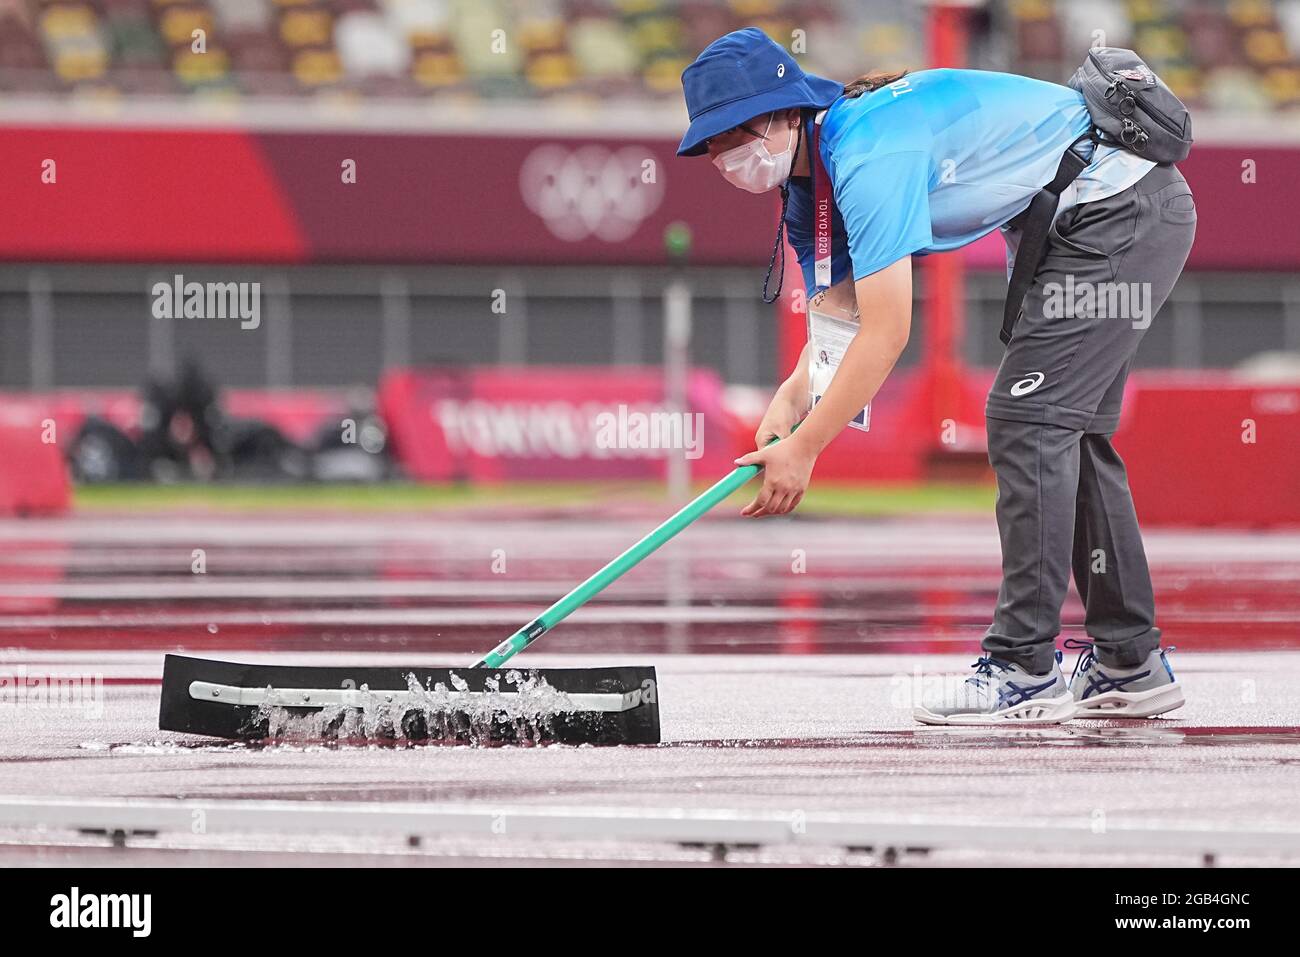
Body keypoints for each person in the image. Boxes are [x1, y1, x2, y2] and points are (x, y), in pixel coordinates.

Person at [677, 28, 1195, 725]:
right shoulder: (814, 179)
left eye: (726, 137)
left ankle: (1022, 669)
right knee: (1065, 434)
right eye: (707, 146)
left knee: (1029, 420)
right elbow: (840, 318)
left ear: (777, 115)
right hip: (1103, 219)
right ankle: (1131, 664)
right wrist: (790, 403)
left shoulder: (867, 155)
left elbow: (888, 330)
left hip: (1120, 211)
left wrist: (804, 449)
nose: (720, 158)